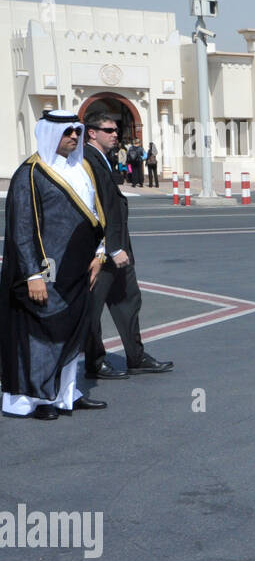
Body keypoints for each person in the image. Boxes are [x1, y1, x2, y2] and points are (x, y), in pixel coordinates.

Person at [1, 110, 108, 419]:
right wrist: (33, 274)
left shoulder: (83, 167)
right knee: (42, 334)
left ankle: (65, 395)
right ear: (49, 134)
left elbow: (95, 215)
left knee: (71, 332)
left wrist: (99, 254)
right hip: (47, 271)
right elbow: (22, 228)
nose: (74, 137)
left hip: (79, 268)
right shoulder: (31, 173)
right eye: (66, 132)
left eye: (77, 131)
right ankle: (35, 399)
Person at [81, 111, 173, 378]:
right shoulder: (87, 160)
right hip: (103, 252)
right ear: (93, 133)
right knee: (93, 308)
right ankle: (95, 362)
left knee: (129, 300)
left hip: (119, 247)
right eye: (108, 130)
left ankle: (135, 355)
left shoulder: (103, 159)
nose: (115, 134)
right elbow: (96, 208)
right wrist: (112, 248)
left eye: (116, 129)